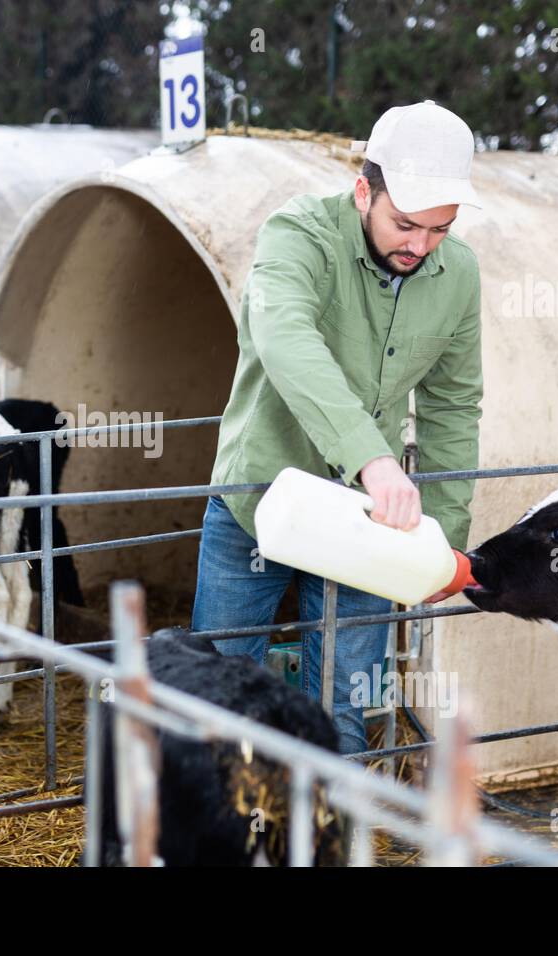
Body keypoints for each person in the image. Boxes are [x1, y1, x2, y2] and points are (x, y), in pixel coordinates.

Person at [193, 100, 484, 755]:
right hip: (258, 502)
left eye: (440, 229)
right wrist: (373, 459)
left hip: (366, 526)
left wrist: (445, 543)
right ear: (363, 191)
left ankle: (336, 844)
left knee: (347, 710)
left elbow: (453, 407)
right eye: (406, 223)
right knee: (215, 699)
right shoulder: (296, 234)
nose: (420, 245)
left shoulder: (458, 273)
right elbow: (284, 337)